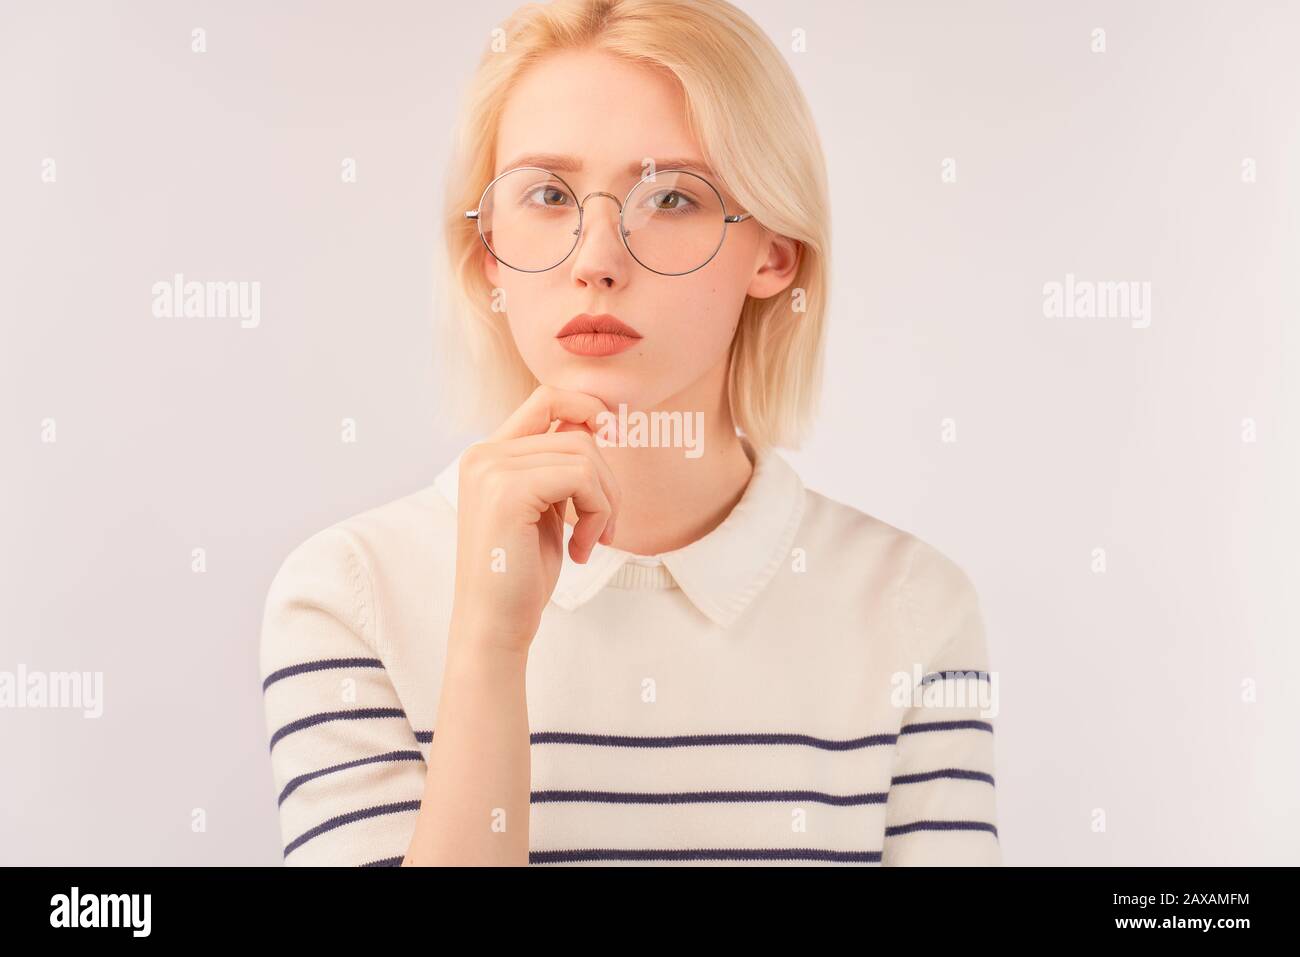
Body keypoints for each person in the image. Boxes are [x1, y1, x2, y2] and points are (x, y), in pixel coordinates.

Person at [259, 0, 1000, 867]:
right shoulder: (348, 596)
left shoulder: (914, 609)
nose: (597, 258)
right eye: (547, 195)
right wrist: (488, 651)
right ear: (490, 251)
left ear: (775, 252)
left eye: (672, 196)